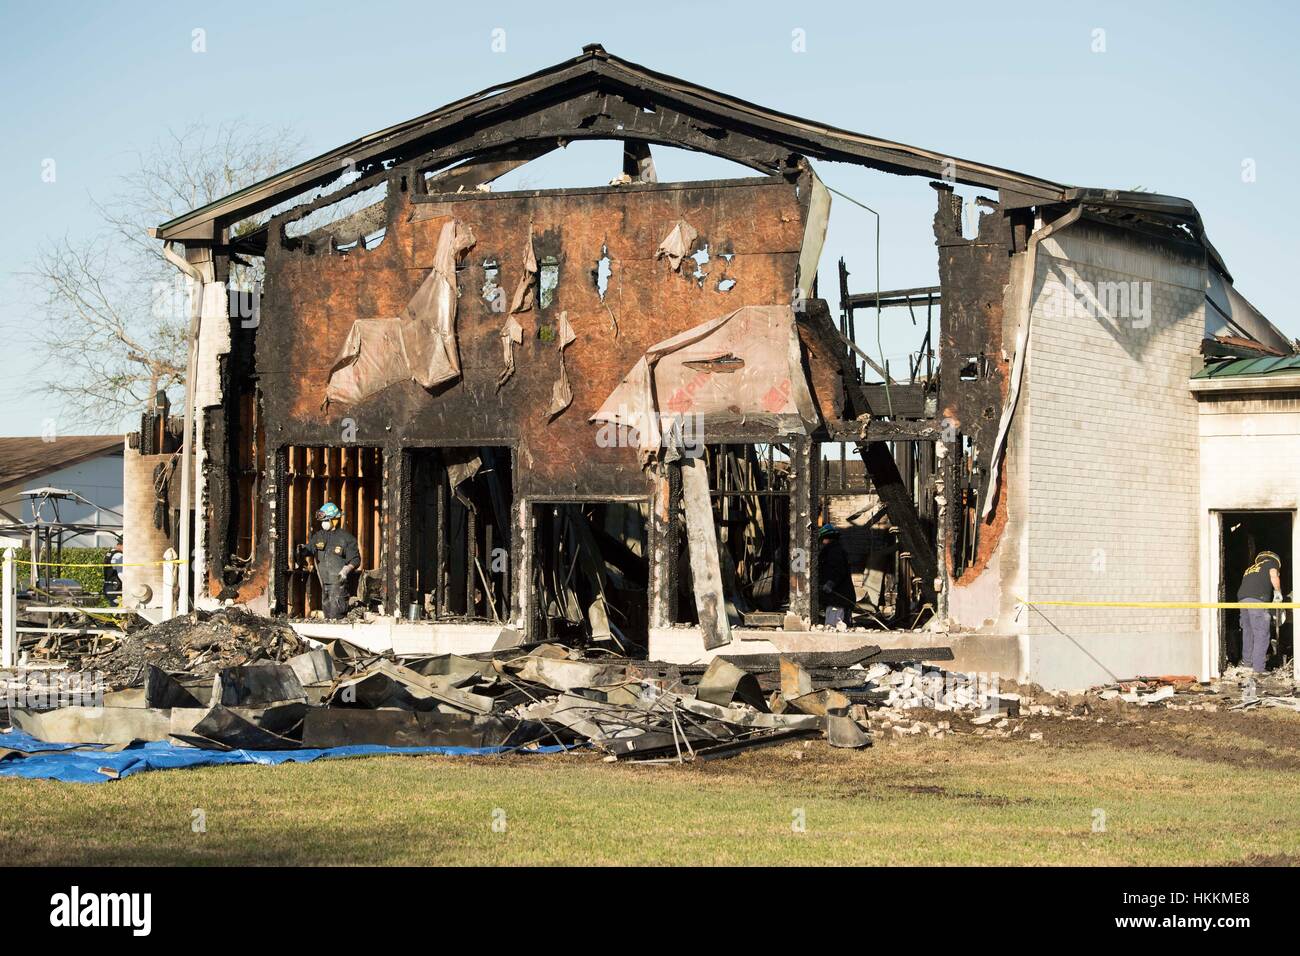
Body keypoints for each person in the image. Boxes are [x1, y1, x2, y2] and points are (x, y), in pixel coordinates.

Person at [300, 502, 360, 620]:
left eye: (326, 520)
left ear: (334, 520)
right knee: (327, 615)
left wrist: (345, 570)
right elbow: (309, 549)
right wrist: (301, 550)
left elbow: (355, 559)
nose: (323, 524)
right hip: (324, 583)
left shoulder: (346, 538)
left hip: (338, 585)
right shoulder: (319, 536)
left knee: (336, 616)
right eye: (323, 521)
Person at [1238, 550, 1283, 672]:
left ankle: (1247, 664)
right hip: (1257, 599)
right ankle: (1259, 669)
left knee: (1248, 632)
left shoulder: (1250, 569)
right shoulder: (1270, 563)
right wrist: (1278, 593)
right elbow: (1274, 575)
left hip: (1242, 599)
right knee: (1261, 633)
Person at [817, 523, 855, 626]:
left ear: (827, 538)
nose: (821, 543)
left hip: (838, 600)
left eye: (822, 540)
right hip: (837, 599)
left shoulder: (834, 551)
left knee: (833, 627)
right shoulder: (832, 550)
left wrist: (830, 583)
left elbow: (839, 570)